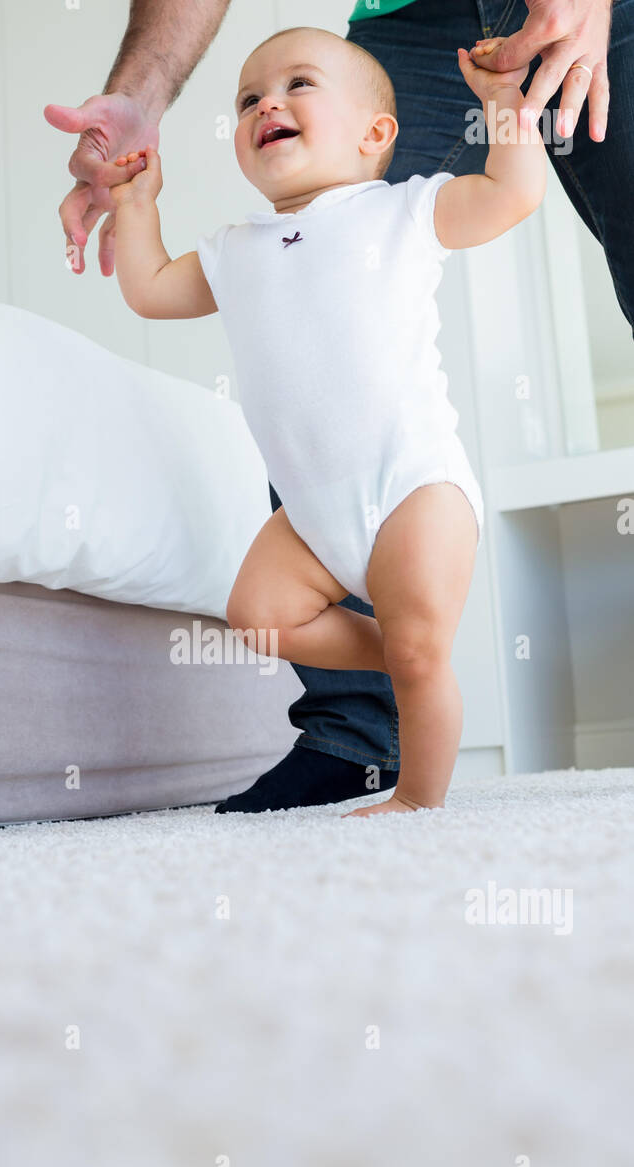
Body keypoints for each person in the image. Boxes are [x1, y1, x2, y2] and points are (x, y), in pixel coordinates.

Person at [45, 0, 626, 814]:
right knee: (257, 615)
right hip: (312, 515)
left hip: (412, 486)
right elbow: (147, 291)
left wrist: (504, 109)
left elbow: (509, 196)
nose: (265, 105)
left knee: (424, 644)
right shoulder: (233, 248)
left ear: (374, 138)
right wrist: (137, 201)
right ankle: (395, 664)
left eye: (296, 85)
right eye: (247, 100)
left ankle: (416, 802)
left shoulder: (405, 210)